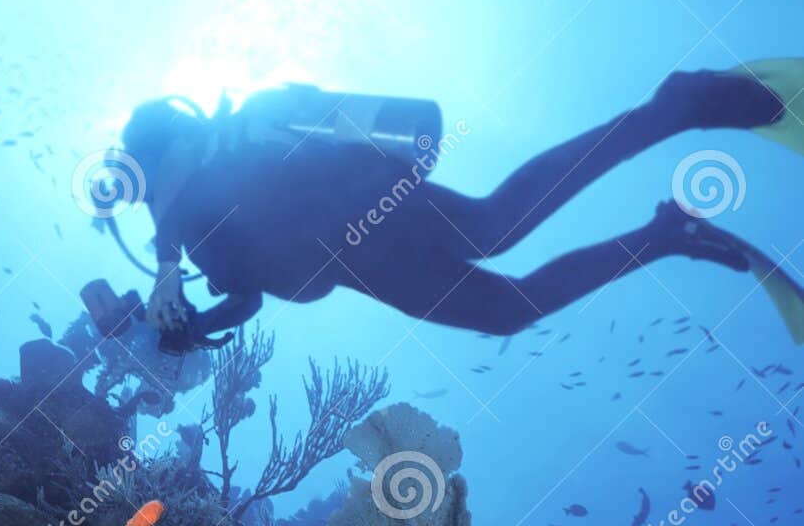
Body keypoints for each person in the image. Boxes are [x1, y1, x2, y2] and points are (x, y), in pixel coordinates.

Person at [120, 64, 803, 346]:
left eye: (148, 181)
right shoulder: (194, 226)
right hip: (371, 256)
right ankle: (662, 233)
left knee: (495, 227)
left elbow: (204, 239)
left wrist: (173, 289)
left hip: (361, 213)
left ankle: (670, 111)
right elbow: (246, 297)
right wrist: (196, 324)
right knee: (507, 303)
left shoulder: (189, 202)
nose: (151, 200)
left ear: (163, 153)